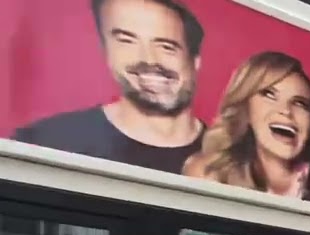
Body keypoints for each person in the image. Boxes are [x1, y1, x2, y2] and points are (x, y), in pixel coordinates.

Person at [13, 0, 206, 174]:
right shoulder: (45, 143)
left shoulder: (221, 160)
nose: (149, 59)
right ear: (106, 50)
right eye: (127, 41)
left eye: (166, 46)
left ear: (195, 61)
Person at [183, 51, 310, 210]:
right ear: (246, 108)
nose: (285, 111)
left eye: (300, 103)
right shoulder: (208, 174)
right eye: (269, 94)